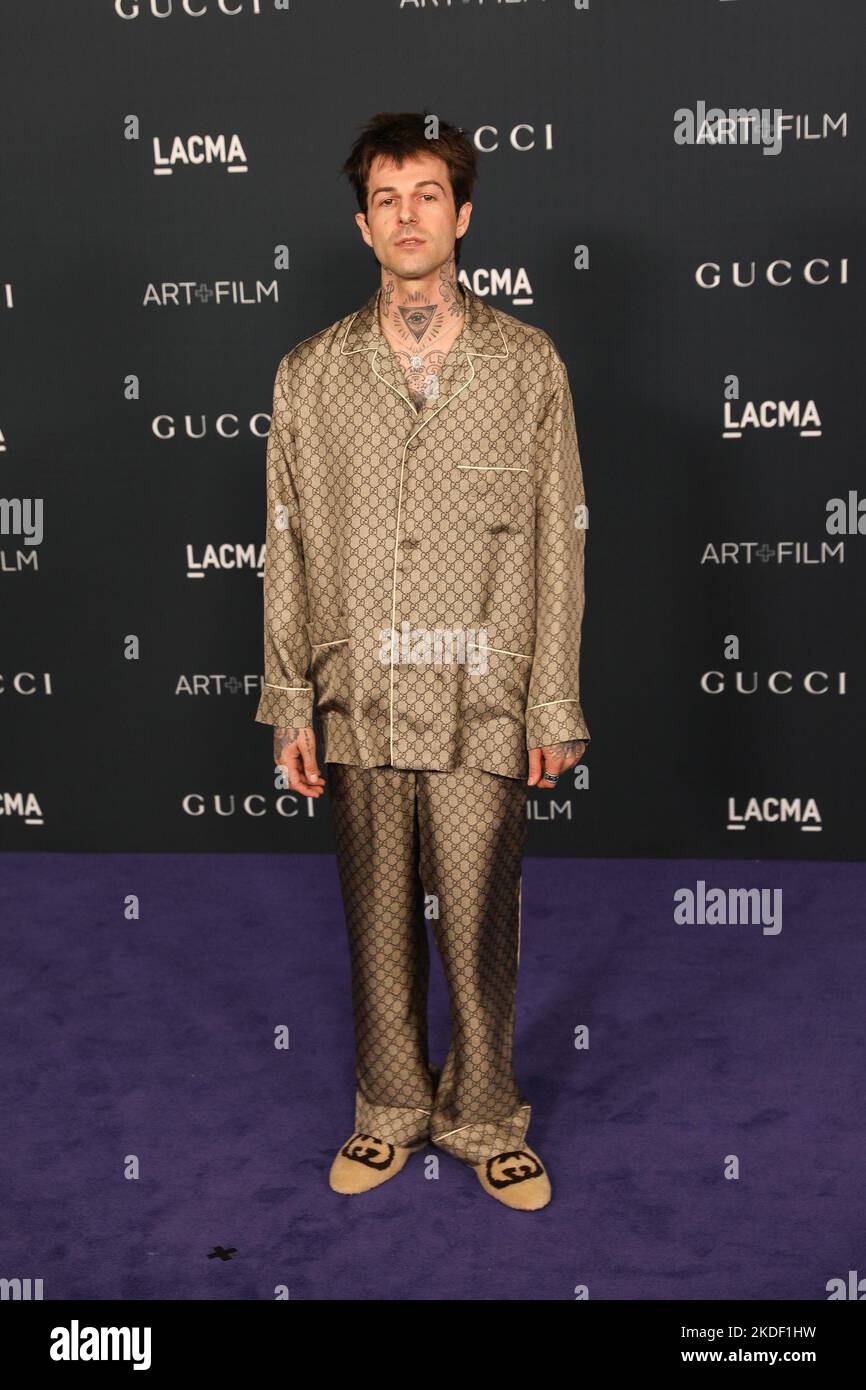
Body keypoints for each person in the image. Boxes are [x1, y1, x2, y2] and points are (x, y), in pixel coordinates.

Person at [255, 111, 590, 1210]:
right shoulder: (307, 375)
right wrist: (289, 698)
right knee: (376, 917)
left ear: (462, 216)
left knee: (482, 911)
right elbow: (287, 542)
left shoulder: (527, 363)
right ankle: (388, 1106)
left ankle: (487, 1111)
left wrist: (553, 702)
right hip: (357, 695)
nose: (409, 215)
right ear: (362, 225)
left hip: (485, 695)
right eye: (387, 198)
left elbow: (558, 539)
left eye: (428, 194)